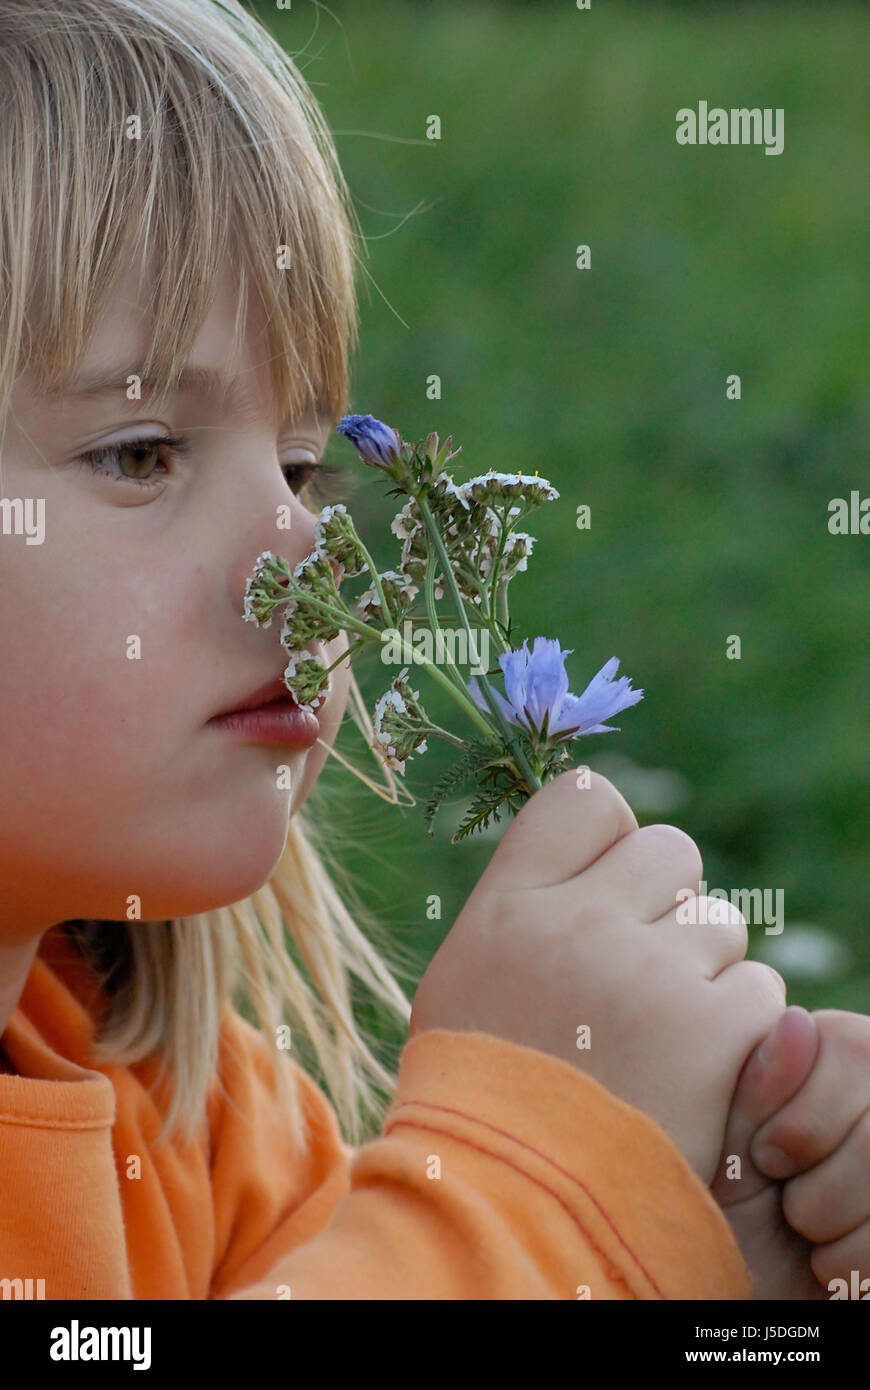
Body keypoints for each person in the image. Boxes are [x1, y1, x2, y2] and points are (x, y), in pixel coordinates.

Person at [0, 0, 866, 1302]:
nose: (306, 554)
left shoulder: (201, 1129)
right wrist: (531, 1169)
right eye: (141, 452)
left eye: (302, 465)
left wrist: (698, 1260)